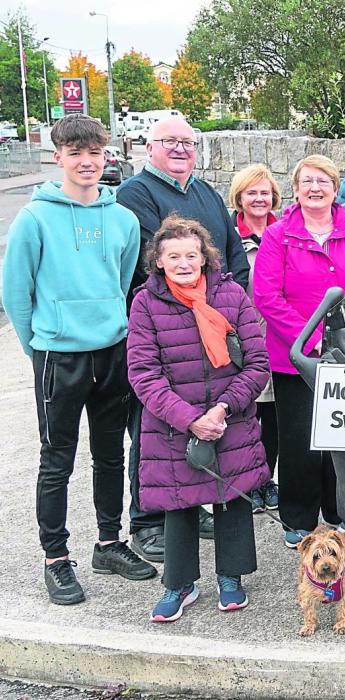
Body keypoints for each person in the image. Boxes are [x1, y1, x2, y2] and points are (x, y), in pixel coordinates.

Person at [2, 114, 155, 605]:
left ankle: (109, 543)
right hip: (58, 355)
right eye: (75, 154)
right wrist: (39, 346)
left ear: (106, 155)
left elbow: (121, 278)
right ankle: (56, 558)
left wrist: (113, 328)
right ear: (59, 157)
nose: (87, 162)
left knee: (110, 454)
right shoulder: (34, 218)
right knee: (57, 461)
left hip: (111, 351)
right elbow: (16, 294)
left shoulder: (122, 219)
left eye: (95, 153)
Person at [117, 115, 250, 561]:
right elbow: (154, 260)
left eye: (186, 142)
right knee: (156, 435)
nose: (179, 149)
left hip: (214, 320)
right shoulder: (135, 193)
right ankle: (148, 521)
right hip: (169, 326)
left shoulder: (203, 190)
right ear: (149, 147)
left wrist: (227, 298)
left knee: (212, 426)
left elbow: (229, 250)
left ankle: (197, 501)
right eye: (169, 141)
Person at [126, 216, 271, 622]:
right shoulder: (145, 303)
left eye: (191, 255)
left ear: (204, 256)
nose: (184, 263)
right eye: (174, 256)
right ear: (158, 260)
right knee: (179, 501)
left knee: (233, 496)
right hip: (173, 423)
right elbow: (142, 373)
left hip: (229, 416)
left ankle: (231, 577)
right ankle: (179, 584)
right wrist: (190, 420)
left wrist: (223, 409)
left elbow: (257, 363)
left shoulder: (232, 296)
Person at [253, 155, 345, 547]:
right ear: (295, 188)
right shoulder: (279, 235)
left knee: (342, 440)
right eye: (307, 181)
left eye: (323, 182)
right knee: (300, 441)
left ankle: (340, 512)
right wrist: (313, 339)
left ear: (335, 188)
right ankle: (299, 519)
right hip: (296, 359)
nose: (315, 189)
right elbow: (266, 295)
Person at [227, 164, 283, 514]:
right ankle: (247, 480)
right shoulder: (231, 236)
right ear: (240, 197)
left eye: (264, 192)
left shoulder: (286, 232)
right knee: (246, 414)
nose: (259, 198)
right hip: (242, 337)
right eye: (252, 192)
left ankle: (267, 479)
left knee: (274, 416)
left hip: (278, 336)